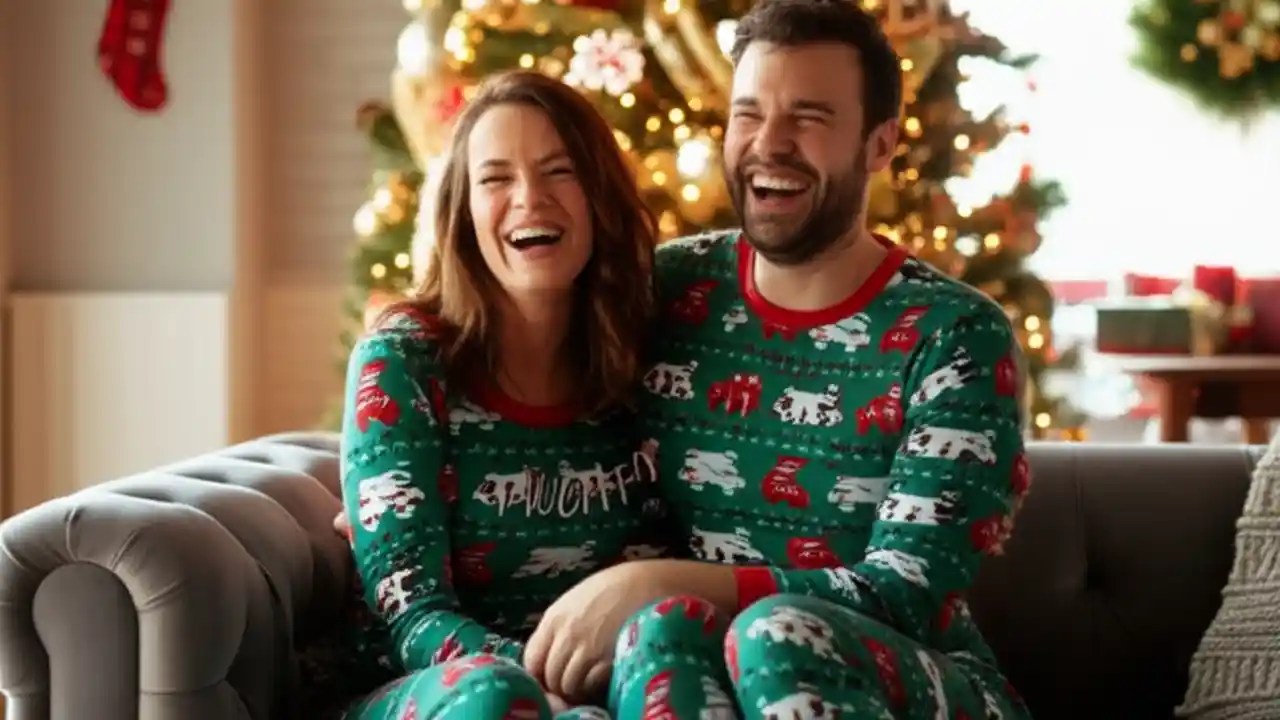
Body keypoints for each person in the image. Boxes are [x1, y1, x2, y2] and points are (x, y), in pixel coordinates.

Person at [524, 1, 1034, 718]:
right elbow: (509, 360)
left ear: (879, 143)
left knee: (770, 630)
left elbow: (907, 594)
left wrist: (669, 580)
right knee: (660, 629)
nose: (770, 143)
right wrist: (410, 477)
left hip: (925, 687)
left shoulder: (955, 337)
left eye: (810, 117)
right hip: (703, 668)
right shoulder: (666, 291)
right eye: (748, 114)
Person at [332, 69, 665, 720]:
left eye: (559, 170)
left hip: (600, 696)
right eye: (496, 179)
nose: (529, 199)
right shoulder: (402, 362)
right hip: (432, 692)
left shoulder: (649, 359)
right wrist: (556, 694)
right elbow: (413, 617)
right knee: (498, 697)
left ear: (600, 195)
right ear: (462, 209)